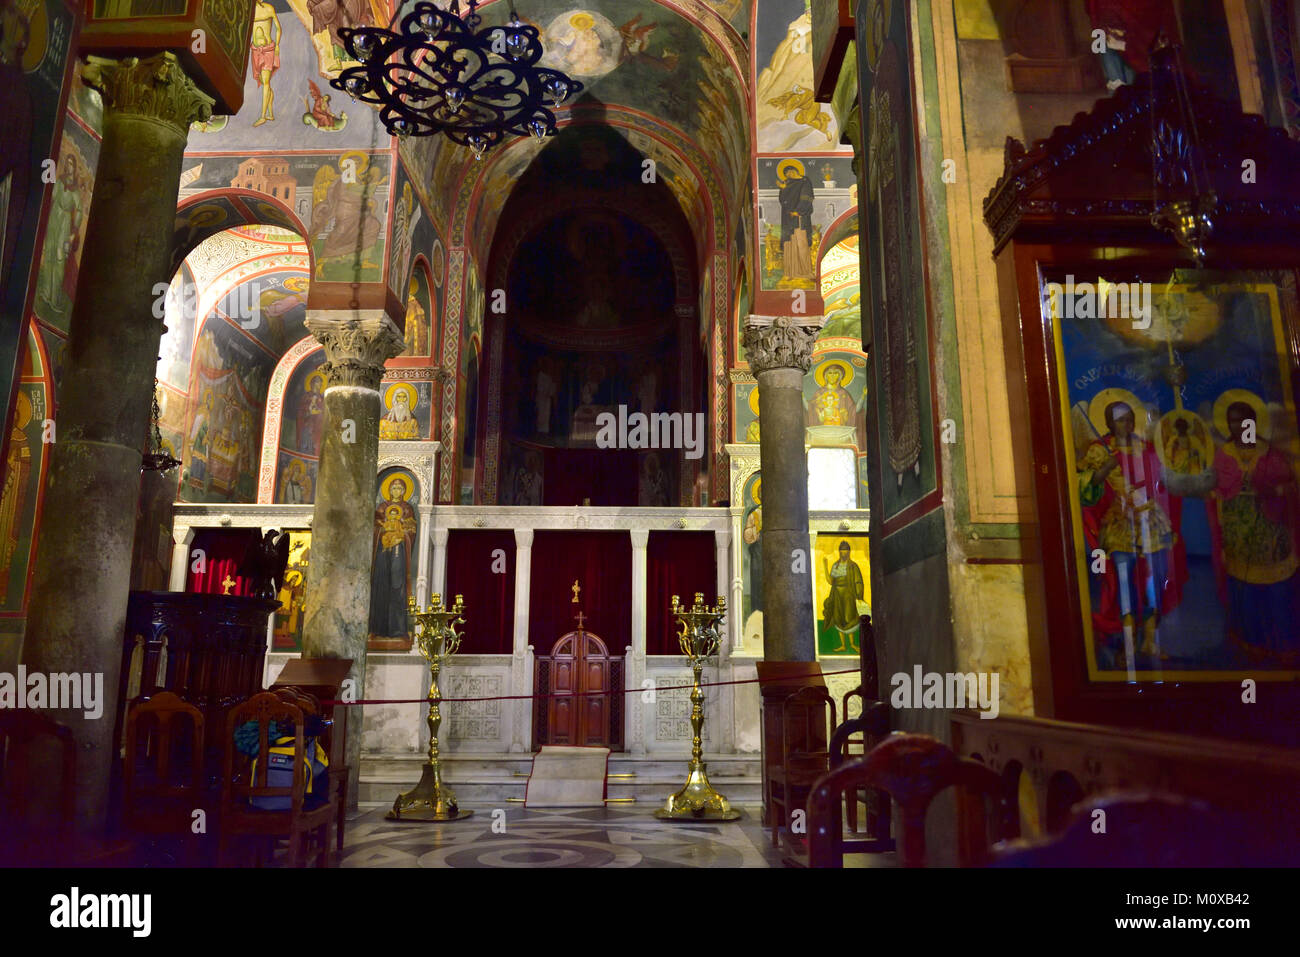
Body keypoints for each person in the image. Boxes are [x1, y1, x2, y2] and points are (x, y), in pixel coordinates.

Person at [1078, 399, 1182, 664]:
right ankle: (1127, 646)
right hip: (1120, 524)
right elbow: (1087, 489)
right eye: (1120, 419)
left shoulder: (1144, 447)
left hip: (1150, 520)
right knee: (1125, 586)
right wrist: (1105, 469)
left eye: (1129, 418)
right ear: (1110, 423)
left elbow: (1161, 480)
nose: (1126, 423)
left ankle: (1149, 641)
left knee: (1153, 582)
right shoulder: (1100, 450)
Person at [1206, 398, 1300, 659]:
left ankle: (1283, 643)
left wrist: (1274, 490)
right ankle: (1251, 641)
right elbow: (1216, 489)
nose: (1237, 425)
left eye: (1242, 419)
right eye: (1232, 420)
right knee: (1244, 590)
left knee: (1278, 589)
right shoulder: (1224, 455)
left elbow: (1290, 486)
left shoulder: (1269, 453)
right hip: (1239, 533)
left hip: (1270, 532)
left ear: (1252, 422)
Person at [369, 478, 417, 639]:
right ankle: (377, 629)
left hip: (399, 553)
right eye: (394, 487)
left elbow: (411, 530)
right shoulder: (382, 508)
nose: (397, 491)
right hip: (382, 554)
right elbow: (374, 528)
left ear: (404, 491)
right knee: (380, 586)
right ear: (389, 490)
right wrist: (383, 530)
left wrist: (401, 533)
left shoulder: (408, 509)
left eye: (400, 488)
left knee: (398, 586)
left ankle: (398, 629)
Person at [822, 541, 865, 653]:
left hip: (849, 596)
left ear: (849, 552)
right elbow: (831, 581)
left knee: (849, 618)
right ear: (839, 552)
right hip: (837, 595)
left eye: (846, 551)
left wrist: (859, 595)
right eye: (842, 551)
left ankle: (852, 644)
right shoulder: (835, 566)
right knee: (838, 618)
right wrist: (825, 567)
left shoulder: (853, 566)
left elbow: (858, 581)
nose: (844, 553)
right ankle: (843, 645)